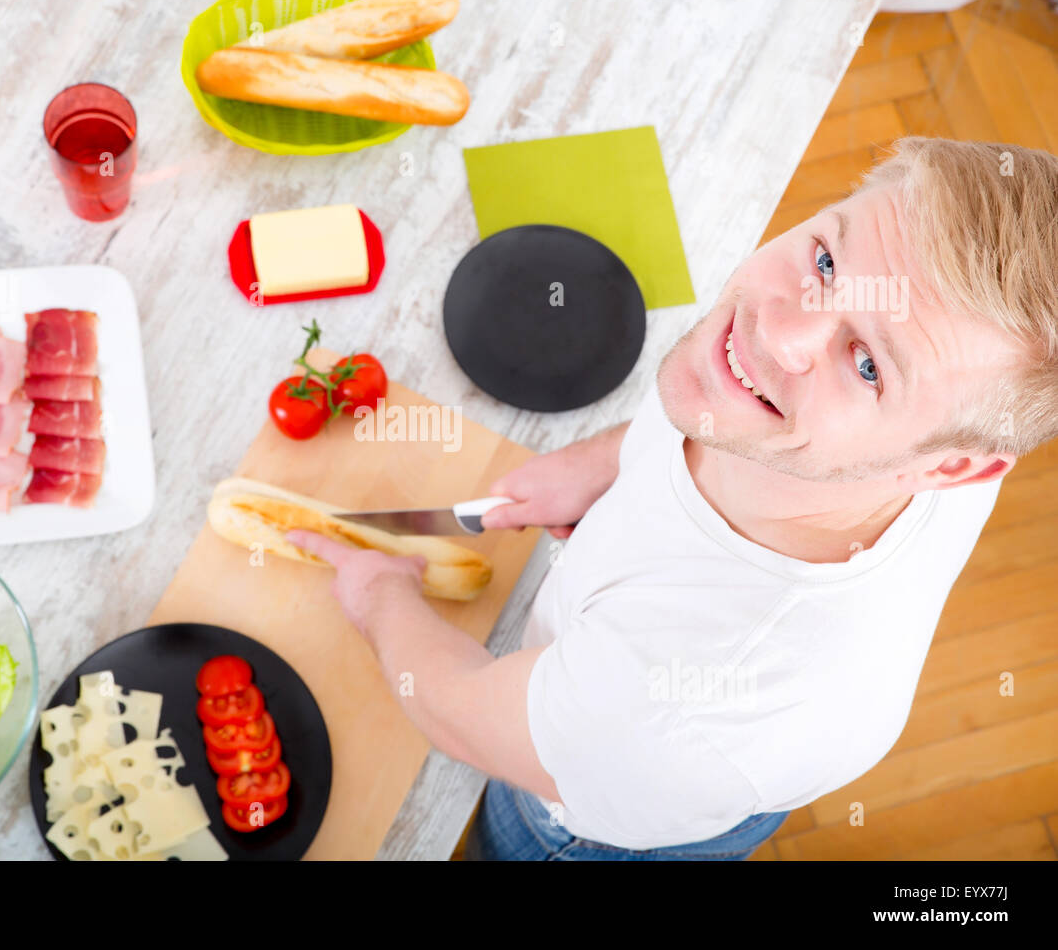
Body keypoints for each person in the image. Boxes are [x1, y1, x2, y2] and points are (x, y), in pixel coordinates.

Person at [287, 137, 1058, 860]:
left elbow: (460, 711)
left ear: (954, 470)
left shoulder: (675, 718)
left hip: (592, 827)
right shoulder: (918, 416)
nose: (775, 327)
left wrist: (381, 595)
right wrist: (606, 462)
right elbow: (712, 401)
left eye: (865, 365)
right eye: (826, 257)